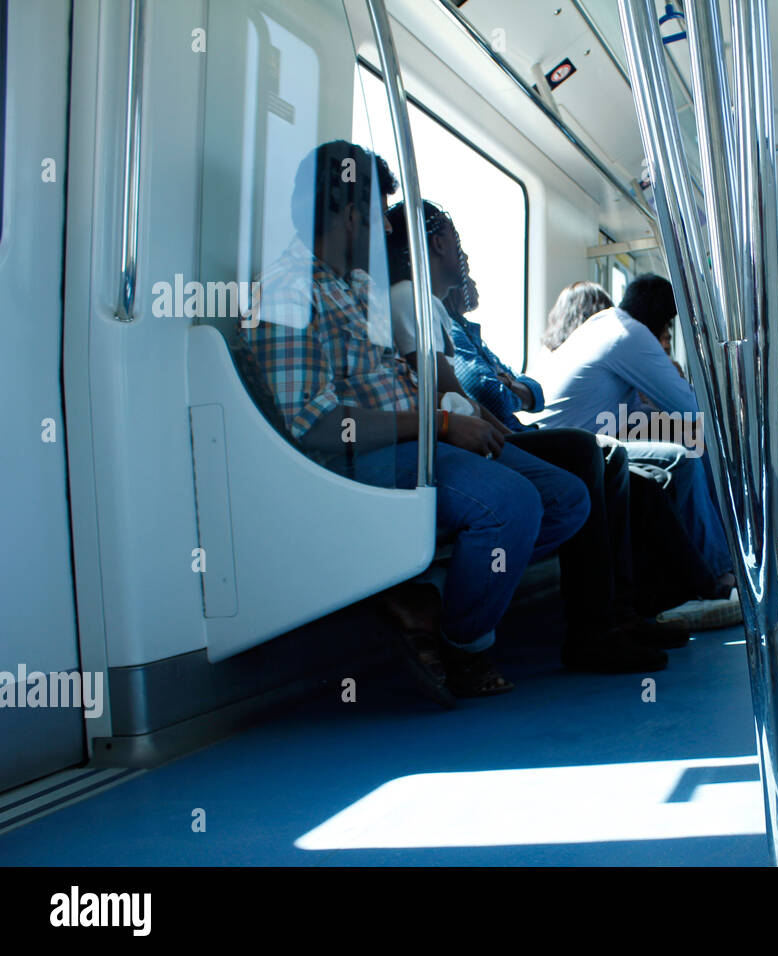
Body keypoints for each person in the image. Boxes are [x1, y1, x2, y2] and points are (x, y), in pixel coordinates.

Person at [241, 140, 587, 705]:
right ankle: (464, 643)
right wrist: (443, 428)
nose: (385, 232)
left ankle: (424, 600)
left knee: (565, 496)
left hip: (422, 438)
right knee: (513, 505)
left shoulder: (356, 288)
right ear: (351, 215)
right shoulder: (286, 290)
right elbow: (318, 427)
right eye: (378, 217)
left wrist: (455, 419)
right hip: (360, 461)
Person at [386, 200, 673, 672]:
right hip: (448, 439)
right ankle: (592, 632)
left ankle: (619, 614)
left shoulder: (429, 308)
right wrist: (505, 434)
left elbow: (483, 393)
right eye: (455, 239)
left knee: (608, 457)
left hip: (477, 429)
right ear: (437, 243)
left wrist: (508, 428)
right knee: (586, 452)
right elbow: (451, 395)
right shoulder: (408, 301)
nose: (462, 251)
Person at [534, 276, 740, 606]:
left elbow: (630, 411)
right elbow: (688, 407)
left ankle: (721, 556)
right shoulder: (630, 334)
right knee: (686, 452)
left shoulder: (601, 325)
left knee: (691, 438)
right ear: (663, 321)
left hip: (574, 437)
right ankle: (717, 571)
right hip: (576, 446)